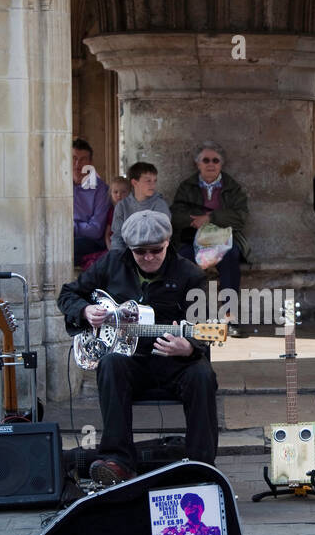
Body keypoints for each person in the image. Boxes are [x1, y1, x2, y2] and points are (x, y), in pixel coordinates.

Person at [58, 210, 219, 485]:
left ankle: (200, 466)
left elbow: (202, 326)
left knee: (202, 375)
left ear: (167, 243)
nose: (148, 257)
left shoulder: (190, 274)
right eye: (139, 252)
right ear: (129, 249)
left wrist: (189, 347)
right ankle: (118, 462)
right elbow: (68, 294)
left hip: (173, 361)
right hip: (129, 360)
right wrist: (85, 311)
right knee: (109, 364)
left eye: (155, 250)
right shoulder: (111, 263)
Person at [170, 142, 250, 331]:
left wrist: (210, 218)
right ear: (198, 163)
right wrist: (193, 220)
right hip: (193, 239)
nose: (211, 164)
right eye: (206, 160)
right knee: (183, 259)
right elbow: (175, 214)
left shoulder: (232, 187)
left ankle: (230, 317)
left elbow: (241, 216)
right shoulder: (187, 186)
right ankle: (187, 314)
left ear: (221, 164)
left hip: (223, 240)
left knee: (232, 256)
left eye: (215, 160)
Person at [109, 163, 171, 253]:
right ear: (134, 182)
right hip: (126, 253)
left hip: (153, 253)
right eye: (148, 181)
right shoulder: (122, 206)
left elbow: (161, 237)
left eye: (155, 181)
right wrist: (116, 256)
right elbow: (117, 237)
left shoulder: (160, 205)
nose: (152, 185)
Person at [71, 137, 111, 263]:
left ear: (90, 162)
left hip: (90, 242)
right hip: (65, 237)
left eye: (83, 160)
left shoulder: (101, 190)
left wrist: (70, 227)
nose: (78, 164)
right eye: (74, 158)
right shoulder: (58, 186)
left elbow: (96, 230)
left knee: (68, 247)